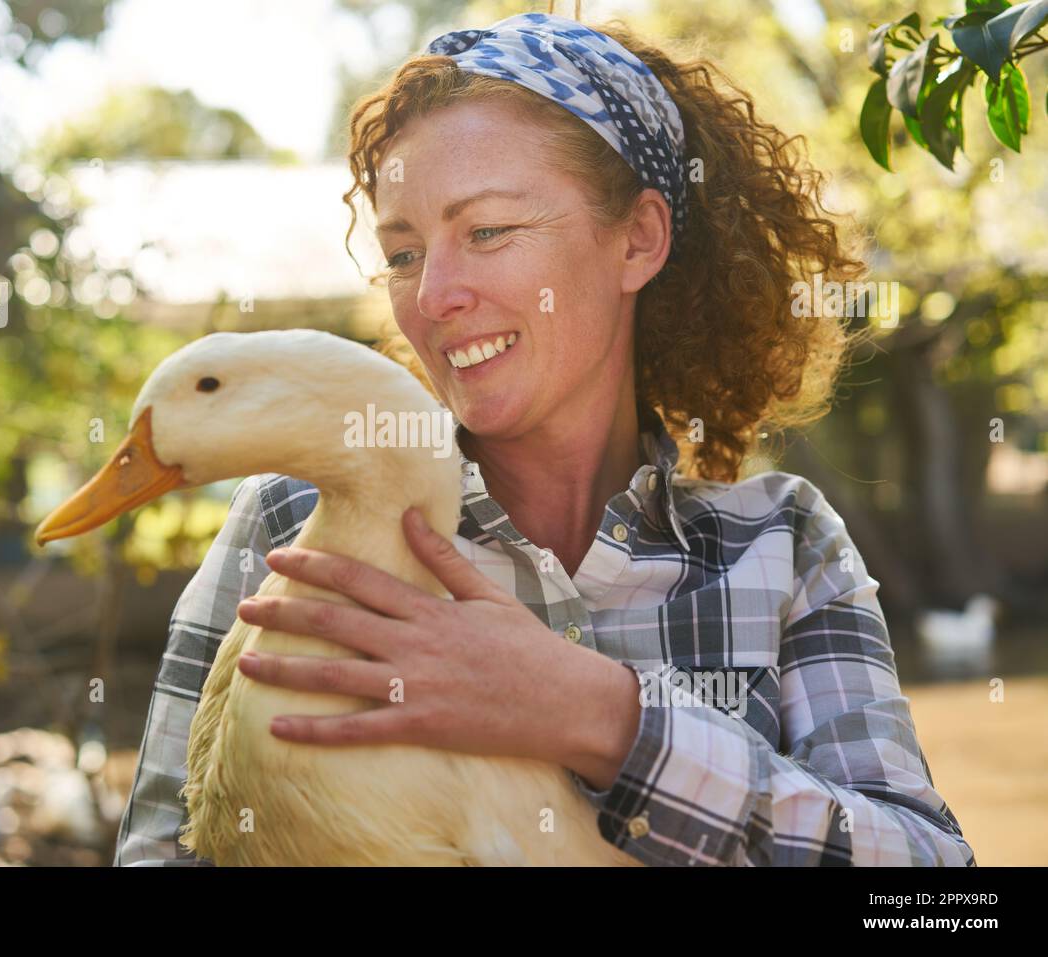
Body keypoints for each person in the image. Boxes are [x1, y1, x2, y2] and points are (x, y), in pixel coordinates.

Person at [114, 12, 975, 866]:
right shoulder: (287, 523)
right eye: (404, 253)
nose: (435, 294)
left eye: (487, 231)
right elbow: (159, 854)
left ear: (637, 240)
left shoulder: (782, 547)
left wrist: (607, 719)